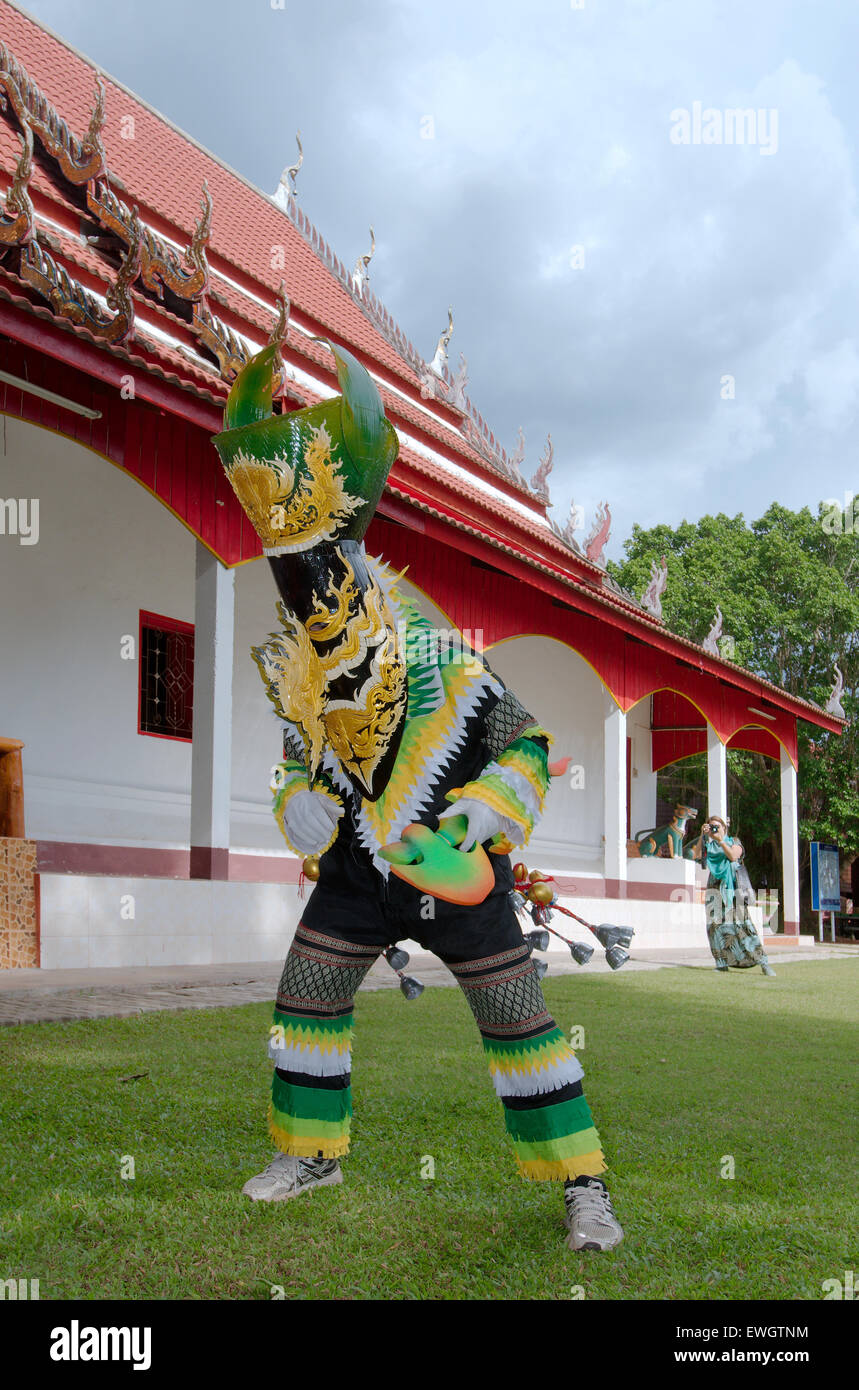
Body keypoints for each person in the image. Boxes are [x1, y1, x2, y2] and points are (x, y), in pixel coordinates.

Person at [212, 339, 623, 1252]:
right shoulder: (302, 681)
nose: (320, 623)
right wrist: (293, 805)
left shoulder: (445, 659)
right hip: (359, 869)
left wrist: (489, 806)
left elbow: (527, 741)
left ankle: (582, 1187)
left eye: (333, 601)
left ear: (368, 590)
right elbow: (295, 767)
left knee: (518, 1021)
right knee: (305, 997)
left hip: (456, 862)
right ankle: (310, 1153)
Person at [687, 815, 776, 976]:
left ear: (724, 828)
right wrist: (703, 836)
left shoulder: (734, 841)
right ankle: (721, 963)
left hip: (733, 887)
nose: (714, 829)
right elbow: (696, 856)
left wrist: (720, 840)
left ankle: (763, 963)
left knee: (744, 925)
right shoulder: (709, 843)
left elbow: (733, 856)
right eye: (711, 826)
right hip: (715, 887)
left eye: (717, 826)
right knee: (715, 927)